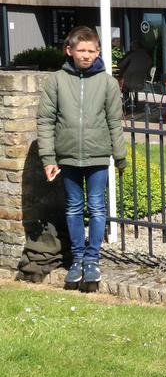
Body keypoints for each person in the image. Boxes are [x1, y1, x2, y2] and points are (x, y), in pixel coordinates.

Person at [37, 26, 126, 288]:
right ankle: (77, 259)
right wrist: (48, 158)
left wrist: (120, 157)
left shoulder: (107, 82)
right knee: (74, 208)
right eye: (81, 50)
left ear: (98, 52)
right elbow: (45, 120)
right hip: (68, 157)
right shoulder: (56, 81)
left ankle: (92, 260)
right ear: (70, 50)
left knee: (97, 208)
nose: (86, 55)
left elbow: (115, 122)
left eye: (91, 50)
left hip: (98, 155)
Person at [116, 45, 152, 113]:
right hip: (142, 83)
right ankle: (134, 102)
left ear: (134, 48)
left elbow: (120, 65)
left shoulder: (131, 54)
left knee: (122, 82)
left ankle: (125, 105)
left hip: (128, 83)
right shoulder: (147, 56)